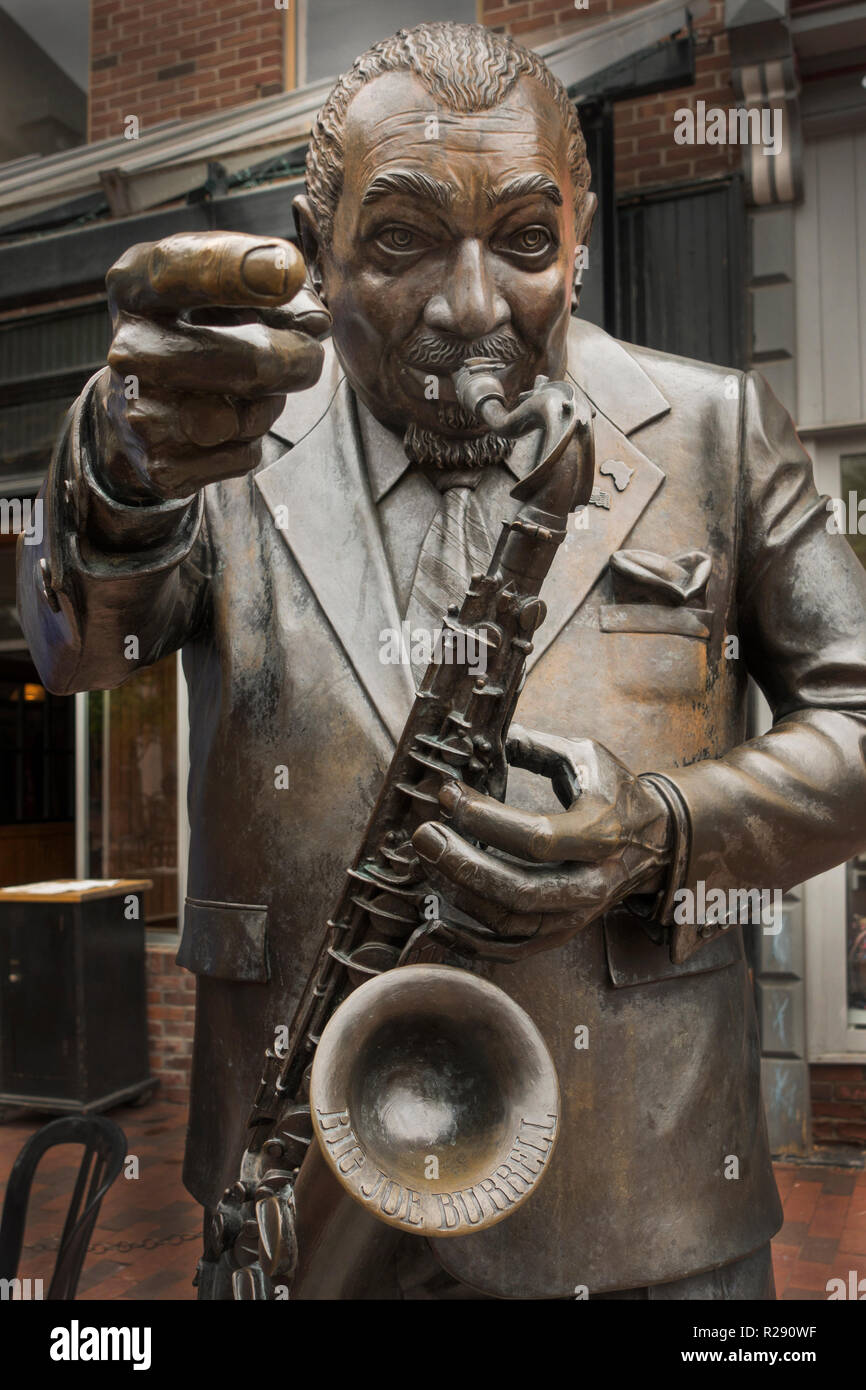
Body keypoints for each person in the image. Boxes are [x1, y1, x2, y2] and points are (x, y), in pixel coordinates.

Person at [18, 22, 866, 1299]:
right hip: (298, 1192)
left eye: (525, 242)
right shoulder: (223, 438)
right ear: (317, 245)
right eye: (403, 242)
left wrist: (660, 831)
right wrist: (118, 474)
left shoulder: (718, 430)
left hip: (636, 1192)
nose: (472, 311)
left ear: (578, 240)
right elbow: (78, 653)